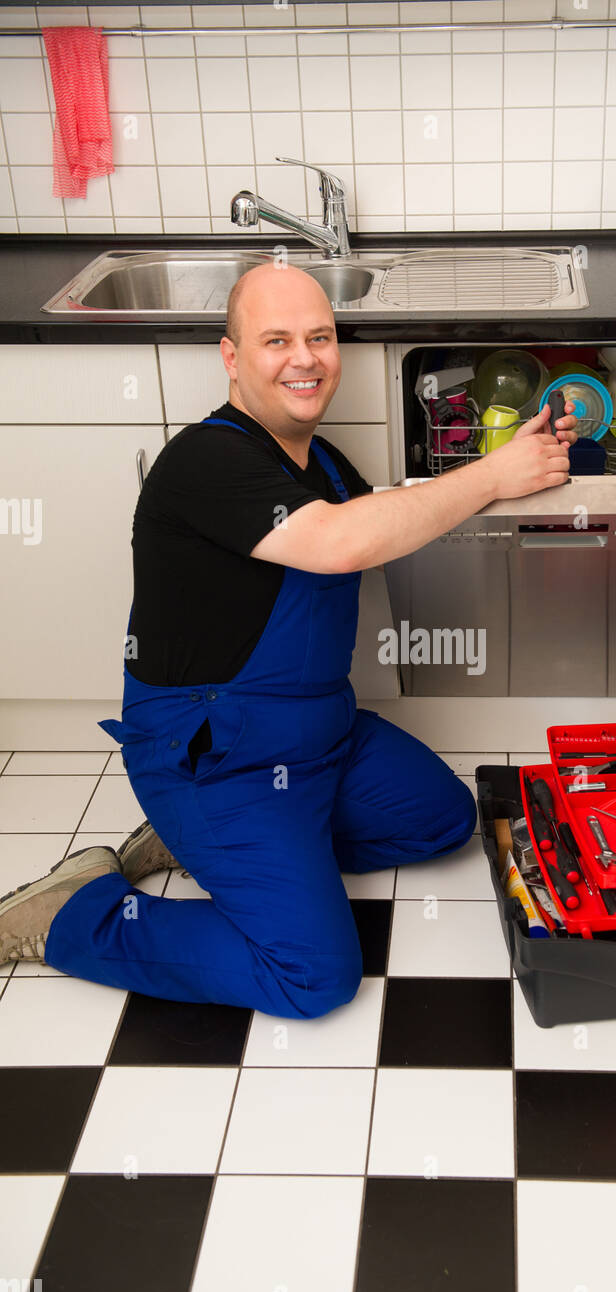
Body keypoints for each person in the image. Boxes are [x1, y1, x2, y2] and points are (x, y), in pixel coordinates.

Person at [0, 262, 578, 1018]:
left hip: (320, 738)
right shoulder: (205, 462)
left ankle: (212, 851)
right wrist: (492, 475)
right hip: (221, 761)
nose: (304, 358)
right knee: (311, 976)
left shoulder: (326, 464)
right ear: (232, 358)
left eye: (319, 337)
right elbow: (338, 544)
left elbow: (383, 527)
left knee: (443, 821)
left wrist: (517, 464)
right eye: (276, 340)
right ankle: (71, 916)